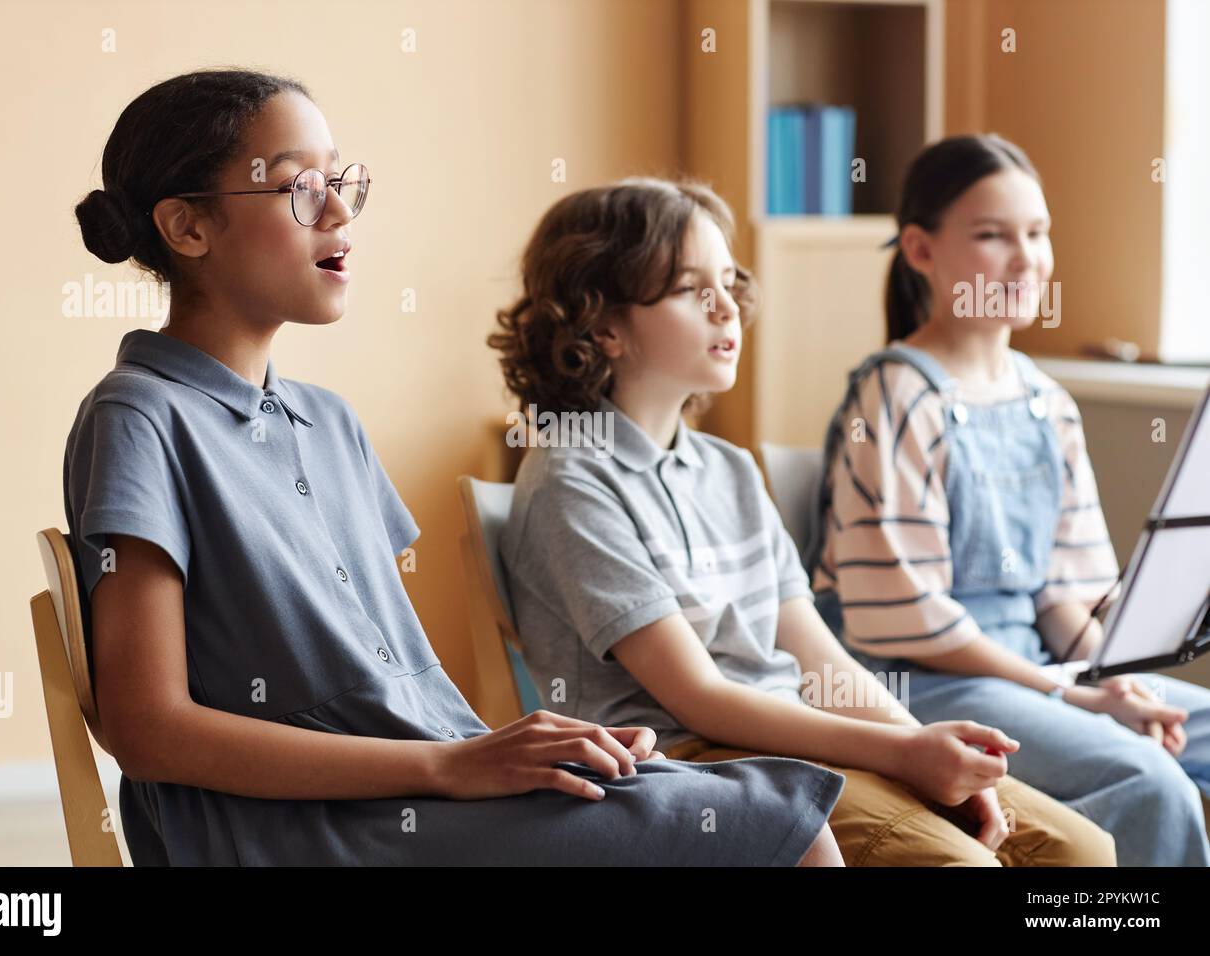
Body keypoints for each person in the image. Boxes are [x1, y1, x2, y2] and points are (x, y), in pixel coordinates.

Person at [64, 67, 846, 866]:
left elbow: (400, 677)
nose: (338, 211)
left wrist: (501, 750)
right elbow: (147, 728)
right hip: (286, 828)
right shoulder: (138, 416)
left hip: (421, 784)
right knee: (783, 830)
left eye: (340, 181)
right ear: (186, 228)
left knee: (767, 811)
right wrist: (451, 765)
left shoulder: (330, 421)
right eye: (301, 187)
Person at [491, 175, 1115, 865]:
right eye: (690, 289)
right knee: (957, 862)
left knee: (1079, 851)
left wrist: (935, 753)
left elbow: (819, 659)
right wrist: (904, 752)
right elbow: (700, 701)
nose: (727, 308)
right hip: (683, 766)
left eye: (729, 283)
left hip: (795, 734)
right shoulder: (571, 479)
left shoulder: (729, 469)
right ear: (602, 325)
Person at [809, 133, 1210, 866]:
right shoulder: (896, 393)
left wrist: (1109, 680)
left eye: (1037, 233)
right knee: (1148, 781)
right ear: (921, 252)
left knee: (1183, 726)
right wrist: (1074, 697)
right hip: (921, 689)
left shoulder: (1045, 400)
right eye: (994, 236)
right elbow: (912, 625)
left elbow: (1067, 598)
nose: (1026, 258)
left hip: (1032, 674)